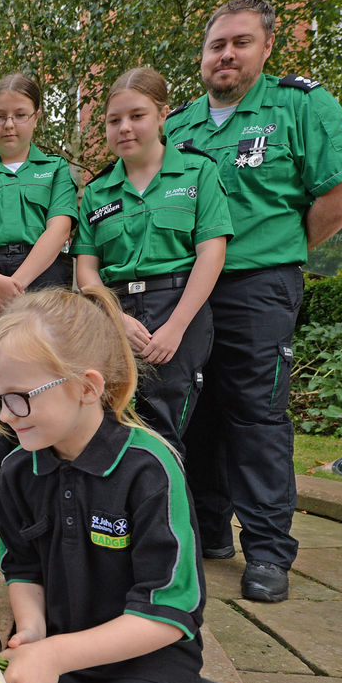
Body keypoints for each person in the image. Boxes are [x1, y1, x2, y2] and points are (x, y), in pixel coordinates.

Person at [0, 286, 228, 683]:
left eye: (19, 396)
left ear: (87, 387)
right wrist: (35, 632)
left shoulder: (149, 468)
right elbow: (21, 567)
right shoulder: (20, 470)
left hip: (147, 660)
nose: (4, 414)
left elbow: (171, 612)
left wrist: (54, 652)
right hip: (62, 653)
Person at [165, 0, 342, 602]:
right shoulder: (178, 125)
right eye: (216, 45)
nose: (226, 54)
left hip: (258, 282)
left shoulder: (301, 106)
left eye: (240, 42)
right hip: (186, 288)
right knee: (192, 411)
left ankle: (269, 550)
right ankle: (207, 531)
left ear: (267, 46)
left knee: (256, 411)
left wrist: (281, 247)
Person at [75, 67, 233, 453]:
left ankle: (165, 512)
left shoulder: (198, 172)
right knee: (108, 424)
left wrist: (176, 327)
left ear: (163, 115)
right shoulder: (97, 192)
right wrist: (116, 318)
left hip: (177, 308)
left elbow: (211, 252)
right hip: (115, 314)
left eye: (137, 116)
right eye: (114, 120)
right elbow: (86, 269)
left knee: (165, 430)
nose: (124, 128)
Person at [0, 74, 78, 490]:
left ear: (36, 117)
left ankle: (45, 466)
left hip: (39, 277)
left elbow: (58, 229)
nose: (7, 125)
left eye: (19, 115)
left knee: (42, 373)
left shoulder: (55, 169)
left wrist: (14, 287)